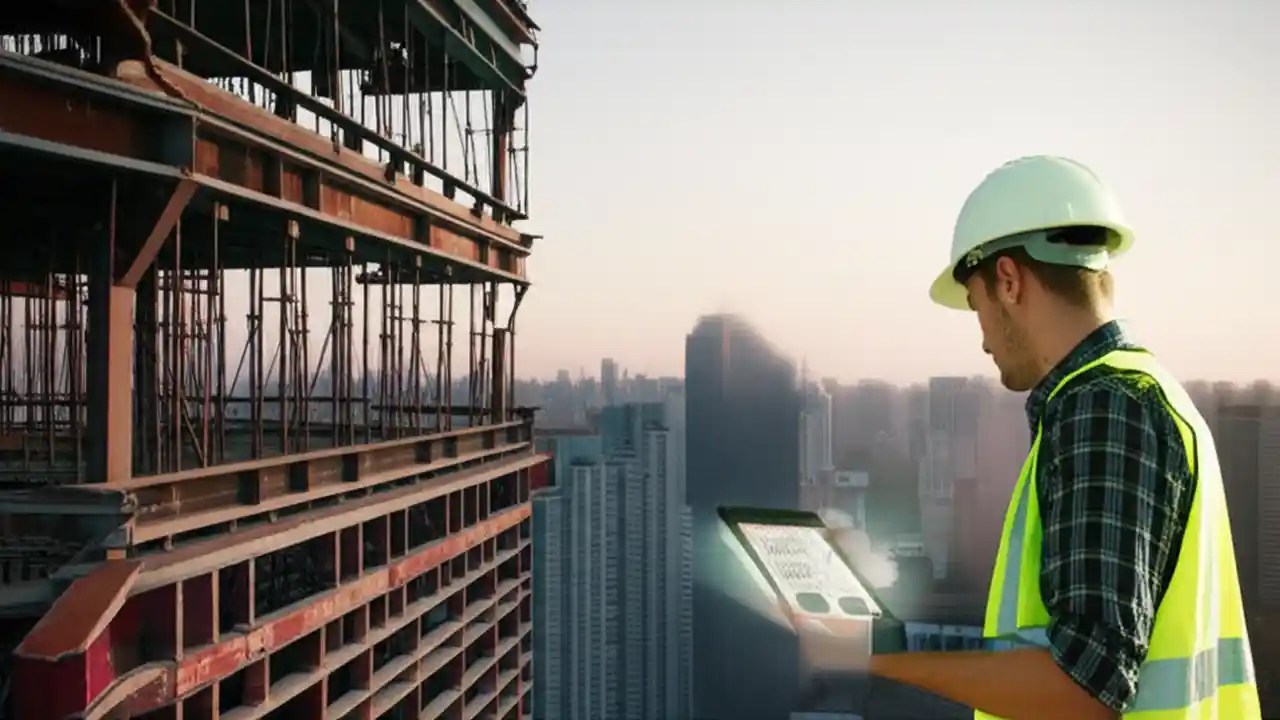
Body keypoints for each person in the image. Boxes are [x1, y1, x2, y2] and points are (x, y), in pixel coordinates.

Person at [867, 156, 1260, 719]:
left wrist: (875, 660)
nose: (981, 342)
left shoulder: (1105, 408)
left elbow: (1083, 688)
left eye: (976, 306)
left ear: (1008, 280)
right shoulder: (1152, 392)